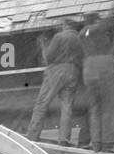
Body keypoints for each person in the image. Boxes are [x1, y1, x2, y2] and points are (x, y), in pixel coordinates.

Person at [75, 11, 114, 152]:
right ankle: (108, 144)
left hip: (88, 72)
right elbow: (111, 18)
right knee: (110, 109)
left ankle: (95, 143)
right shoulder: (98, 30)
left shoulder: (81, 34)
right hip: (102, 69)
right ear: (96, 20)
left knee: (94, 109)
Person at [25, 18, 84, 146]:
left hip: (57, 70)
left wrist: (43, 45)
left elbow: (48, 57)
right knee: (67, 105)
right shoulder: (80, 39)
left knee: (42, 102)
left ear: (66, 26)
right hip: (73, 71)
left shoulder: (59, 37)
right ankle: (64, 138)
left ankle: (32, 134)